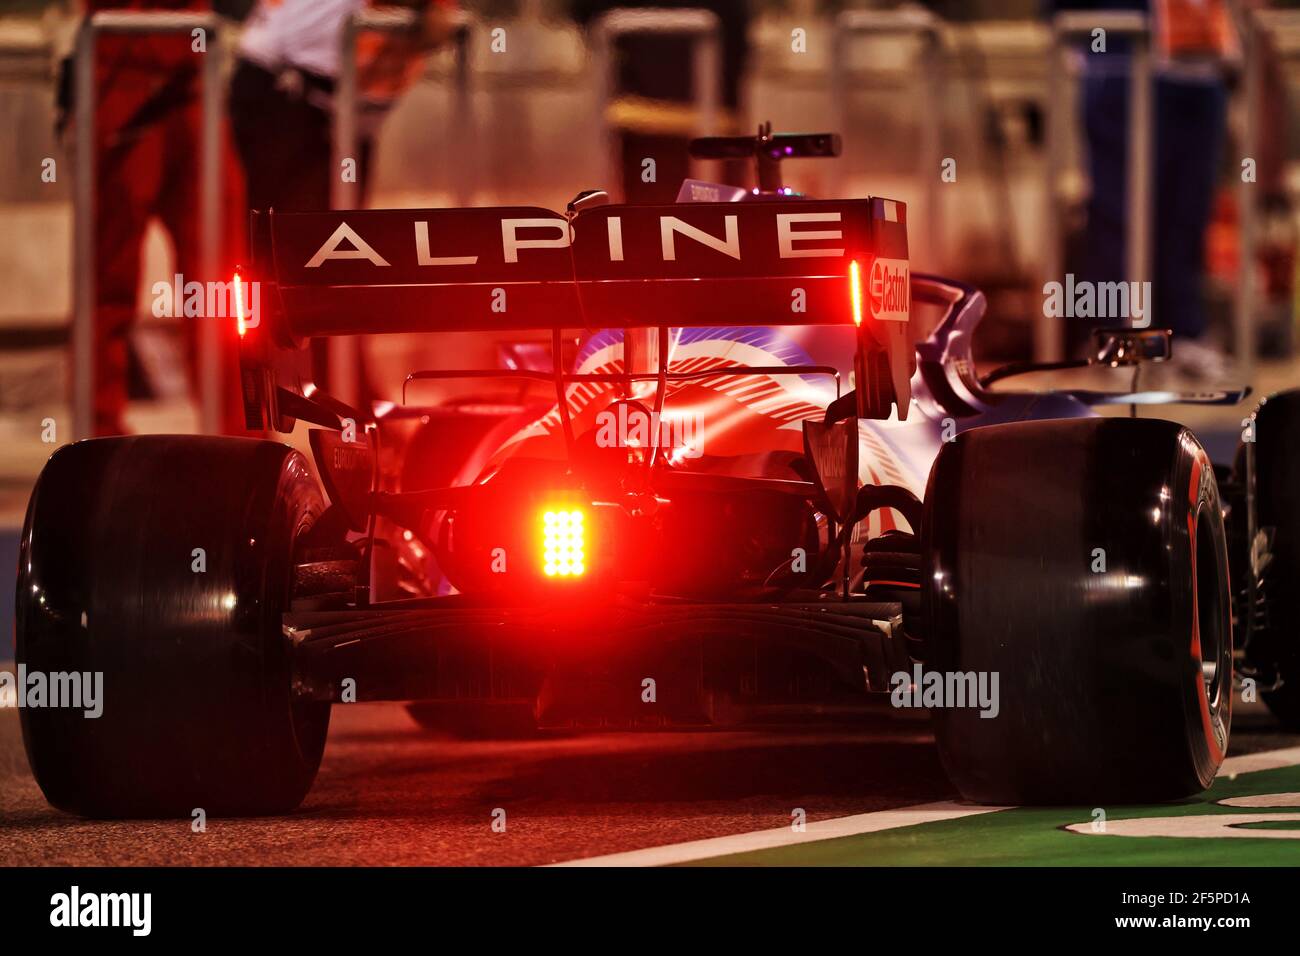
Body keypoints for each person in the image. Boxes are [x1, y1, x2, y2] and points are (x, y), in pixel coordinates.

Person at [228, 0, 460, 397]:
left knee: (341, 262)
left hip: (338, 104)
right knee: (298, 263)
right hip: (288, 93)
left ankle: (348, 396)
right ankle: (304, 401)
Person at [74, 0, 247, 435]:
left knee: (222, 275)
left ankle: (238, 433)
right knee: (108, 273)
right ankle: (99, 434)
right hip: (121, 61)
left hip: (193, 72)